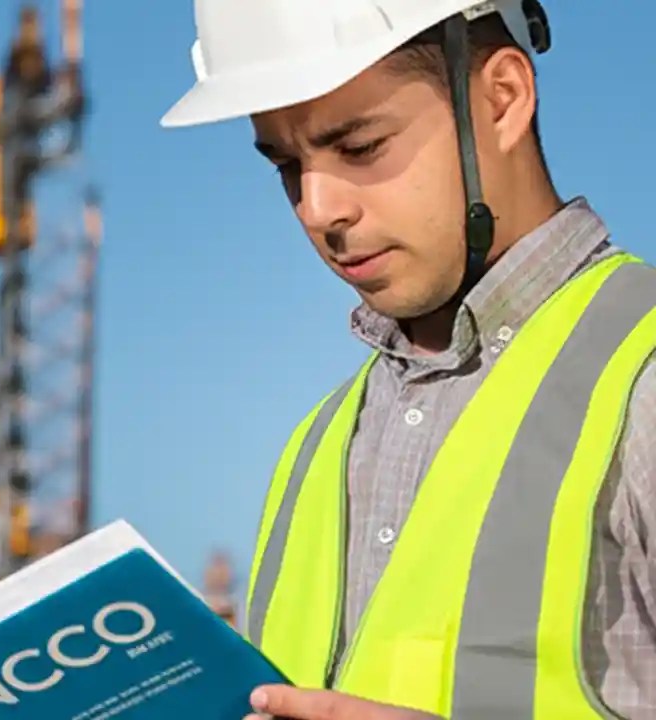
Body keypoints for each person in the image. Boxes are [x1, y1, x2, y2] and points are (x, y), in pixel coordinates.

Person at [159, 2, 656, 718]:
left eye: (359, 147)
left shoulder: (641, 369)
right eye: (288, 165)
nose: (317, 208)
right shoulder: (316, 447)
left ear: (501, 99)